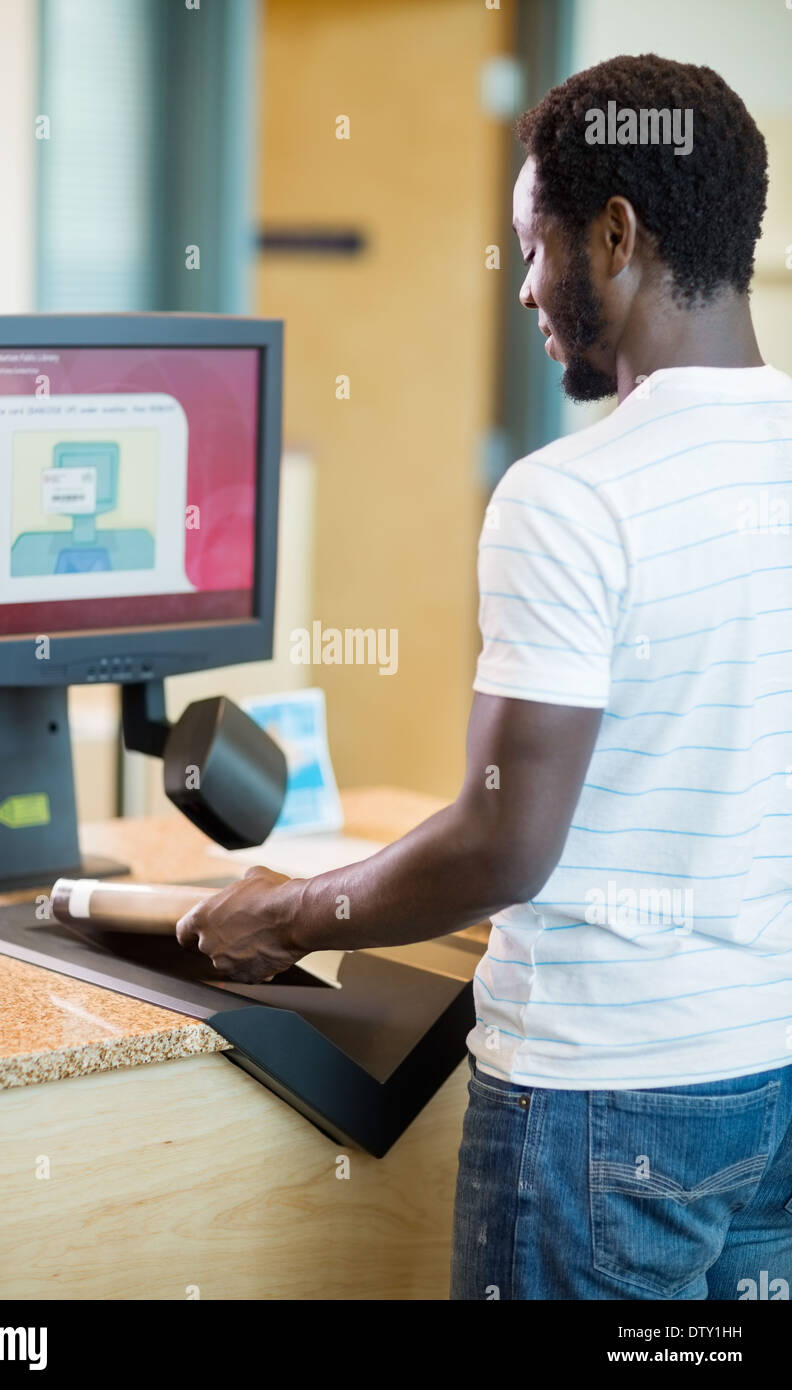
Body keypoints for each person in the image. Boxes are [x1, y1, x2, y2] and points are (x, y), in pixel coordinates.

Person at [177, 54, 792, 1301]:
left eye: (533, 246)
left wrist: (282, 913)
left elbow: (503, 846)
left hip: (599, 1110)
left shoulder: (569, 495)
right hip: (766, 1079)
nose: (522, 289)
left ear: (614, 237)